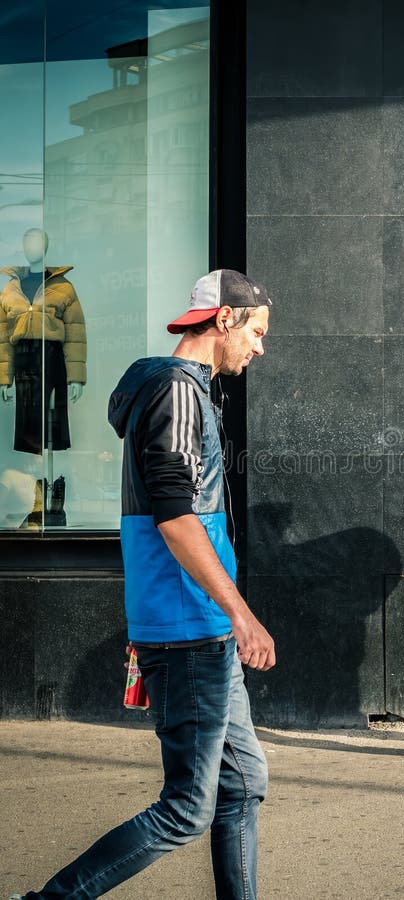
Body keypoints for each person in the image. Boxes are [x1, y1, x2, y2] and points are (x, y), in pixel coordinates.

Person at [16, 269, 275, 899]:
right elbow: (177, 517)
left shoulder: (171, 390)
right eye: (257, 332)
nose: (260, 348)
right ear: (225, 321)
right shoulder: (177, 393)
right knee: (189, 807)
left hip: (196, 624)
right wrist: (241, 613)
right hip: (190, 628)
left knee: (242, 786)